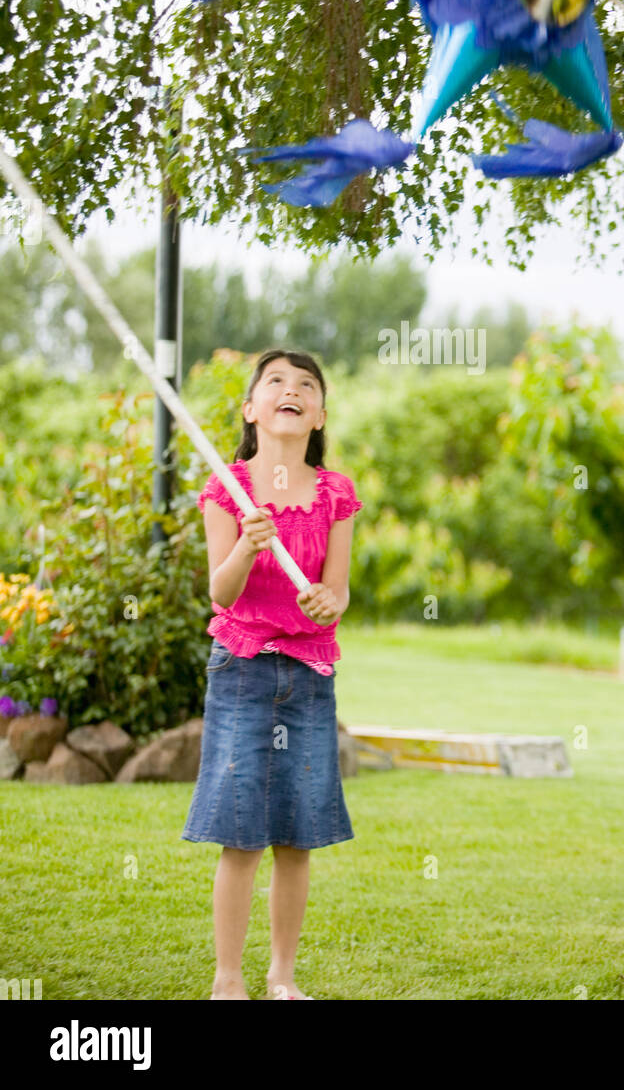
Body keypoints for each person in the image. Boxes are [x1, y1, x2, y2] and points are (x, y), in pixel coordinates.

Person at [181, 348, 363, 1001]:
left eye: (307, 385)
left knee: (297, 832)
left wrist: (327, 601)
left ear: (317, 415)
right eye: (277, 382)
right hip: (243, 669)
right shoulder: (227, 488)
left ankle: (282, 978)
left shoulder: (335, 494)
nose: (292, 390)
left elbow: (337, 590)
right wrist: (246, 545)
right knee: (241, 830)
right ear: (251, 408)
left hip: (310, 674)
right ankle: (227, 979)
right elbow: (221, 594)